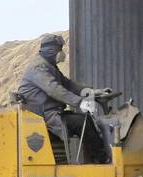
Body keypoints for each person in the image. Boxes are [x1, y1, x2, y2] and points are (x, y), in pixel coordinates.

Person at [15, 34, 107, 162]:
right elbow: (54, 89)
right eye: (60, 49)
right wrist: (79, 102)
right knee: (82, 123)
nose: (62, 53)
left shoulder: (48, 66)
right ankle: (102, 160)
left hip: (48, 112)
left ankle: (97, 159)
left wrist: (92, 92)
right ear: (51, 50)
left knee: (84, 121)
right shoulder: (39, 67)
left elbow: (67, 84)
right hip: (43, 115)